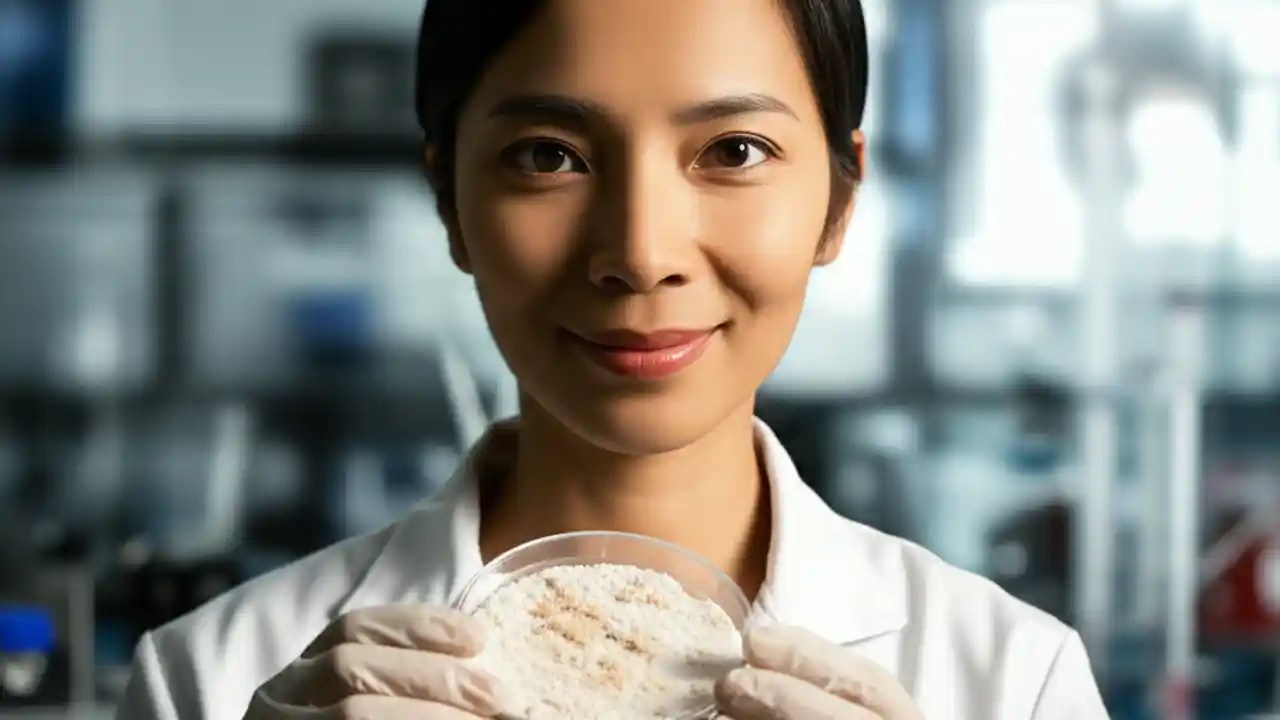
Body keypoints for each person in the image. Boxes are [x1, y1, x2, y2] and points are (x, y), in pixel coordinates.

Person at [116, 1, 1110, 718]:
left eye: (732, 152)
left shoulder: (1008, 680)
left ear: (837, 203)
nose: (639, 252)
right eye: (548, 155)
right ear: (449, 204)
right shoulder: (211, 678)